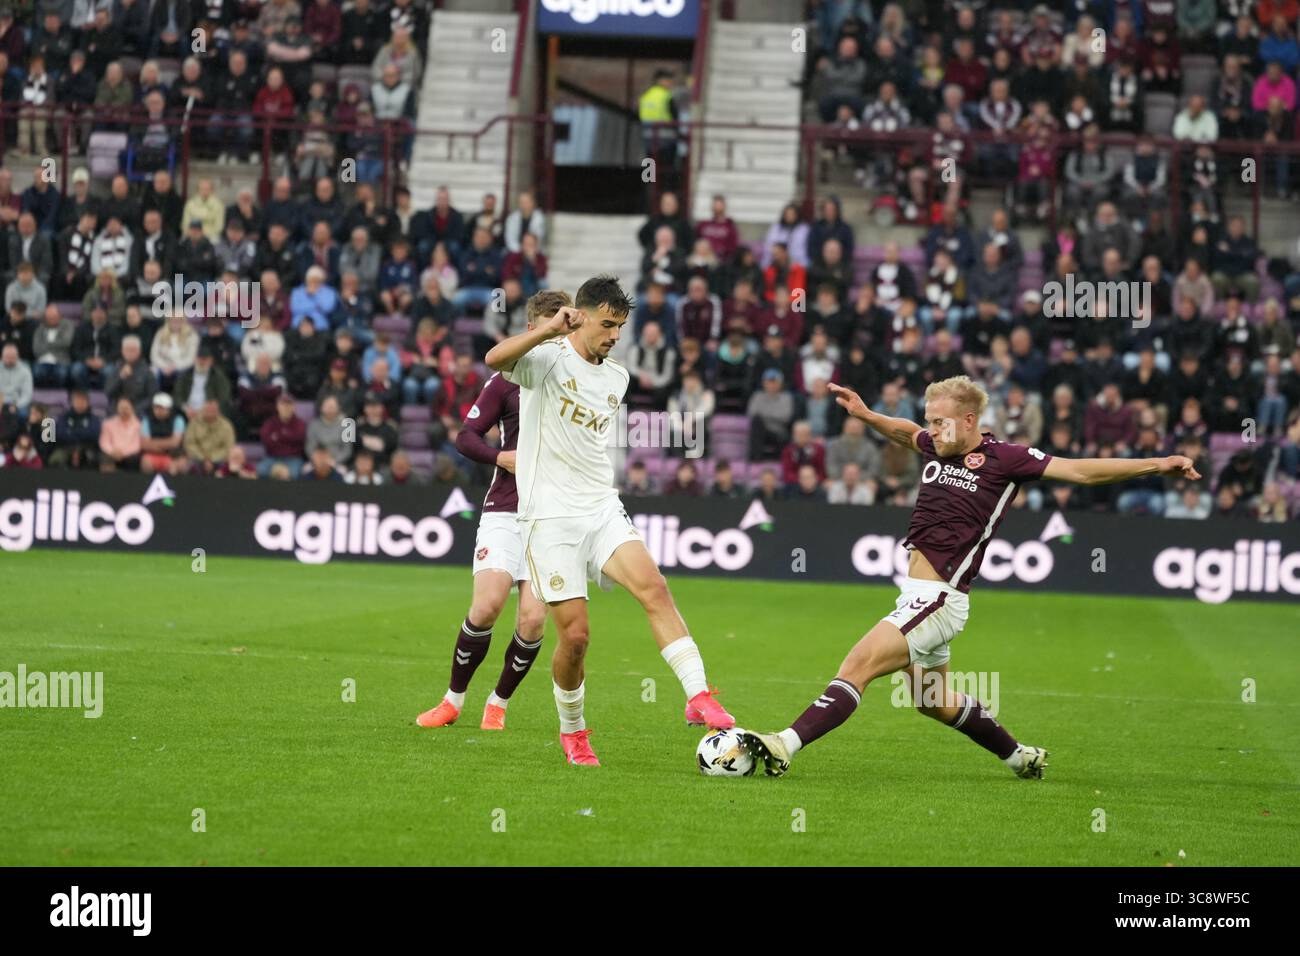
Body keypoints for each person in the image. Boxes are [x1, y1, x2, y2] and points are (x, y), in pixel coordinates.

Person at [738, 375, 1200, 779]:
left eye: (940, 421)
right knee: (931, 699)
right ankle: (1019, 757)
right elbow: (906, 433)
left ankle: (784, 744)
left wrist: (1158, 463)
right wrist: (867, 414)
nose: (932, 430)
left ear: (970, 419)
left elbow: (1079, 470)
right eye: (930, 420)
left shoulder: (1006, 459)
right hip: (918, 596)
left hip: (940, 599)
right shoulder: (937, 444)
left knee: (857, 665)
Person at [483, 275, 735, 766]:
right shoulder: (545, 360)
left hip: (600, 506)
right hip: (549, 519)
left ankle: (698, 694)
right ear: (580, 316)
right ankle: (573, 732)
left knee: (654, 588)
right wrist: (547, 329)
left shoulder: (617, 377)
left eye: (620, 325)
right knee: (575, 637)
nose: (615, 334)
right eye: (607, 323)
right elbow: (495, 360)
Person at [417, 291, 572, 733]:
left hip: (552, 517)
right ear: (532, 329)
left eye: (564, 330)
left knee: (533, 618)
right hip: (504, 509)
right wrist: (501, 457)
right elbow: (466, 436)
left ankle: (498, 702)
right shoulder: (507, 378)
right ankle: (452, 700)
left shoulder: (575, 380)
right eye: (550, 328)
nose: (557, 337)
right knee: (485, 607)